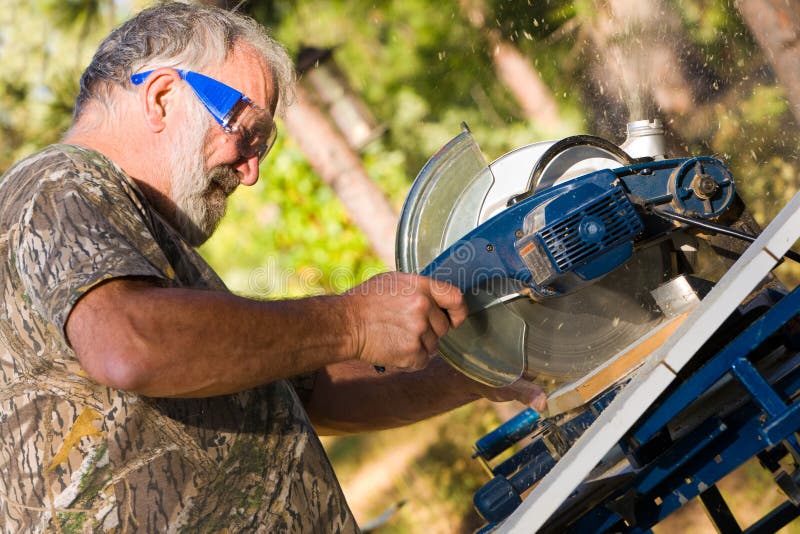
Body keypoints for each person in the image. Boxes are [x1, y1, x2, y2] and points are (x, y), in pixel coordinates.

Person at [0, 2, 545, 531]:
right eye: (247, 130)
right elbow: (129, 343)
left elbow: (315, 393)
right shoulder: (57, 181)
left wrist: (478, 371)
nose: (252, 170)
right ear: (163, 97)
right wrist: (352, 321)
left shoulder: (146, 247)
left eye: (266, 144)